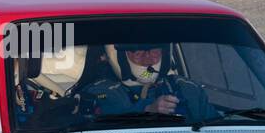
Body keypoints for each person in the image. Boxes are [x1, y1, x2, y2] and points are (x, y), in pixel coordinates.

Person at [78, 43, 218, 121]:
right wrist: (147, 111)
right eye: (138, 53)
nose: (148, 59)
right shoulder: (99, 94)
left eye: (154, 51)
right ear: (117, 56)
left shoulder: (188, 89)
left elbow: (216, 131)